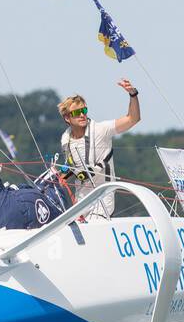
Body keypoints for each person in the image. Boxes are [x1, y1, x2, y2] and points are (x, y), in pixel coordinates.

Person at [58, 79, 141, 219]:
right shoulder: (66, 138)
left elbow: (133, 118)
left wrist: (133, 94)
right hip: (81, 200)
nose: (82, 115)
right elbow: (71, 166)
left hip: (103, 197)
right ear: (67, 118)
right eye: (77, 112)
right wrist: (59, 175)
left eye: (84, 110)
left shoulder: (101, 129)